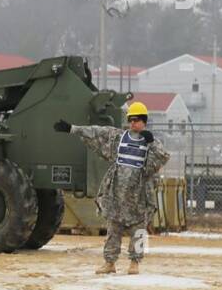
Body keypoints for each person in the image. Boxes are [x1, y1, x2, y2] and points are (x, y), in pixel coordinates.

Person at [53, 100, 170, 275]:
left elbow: (163, 157)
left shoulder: (150, 143)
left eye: (137, 120)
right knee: (113, 228)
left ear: (144, 121)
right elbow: (96, 132)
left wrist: (151, 142)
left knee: (138, 230)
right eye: (131, 119)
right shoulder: (118, 137)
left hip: (138, 196)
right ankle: (109, 263)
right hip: (116, 193)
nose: (133, 123)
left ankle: (135, 263)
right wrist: (72, 128)